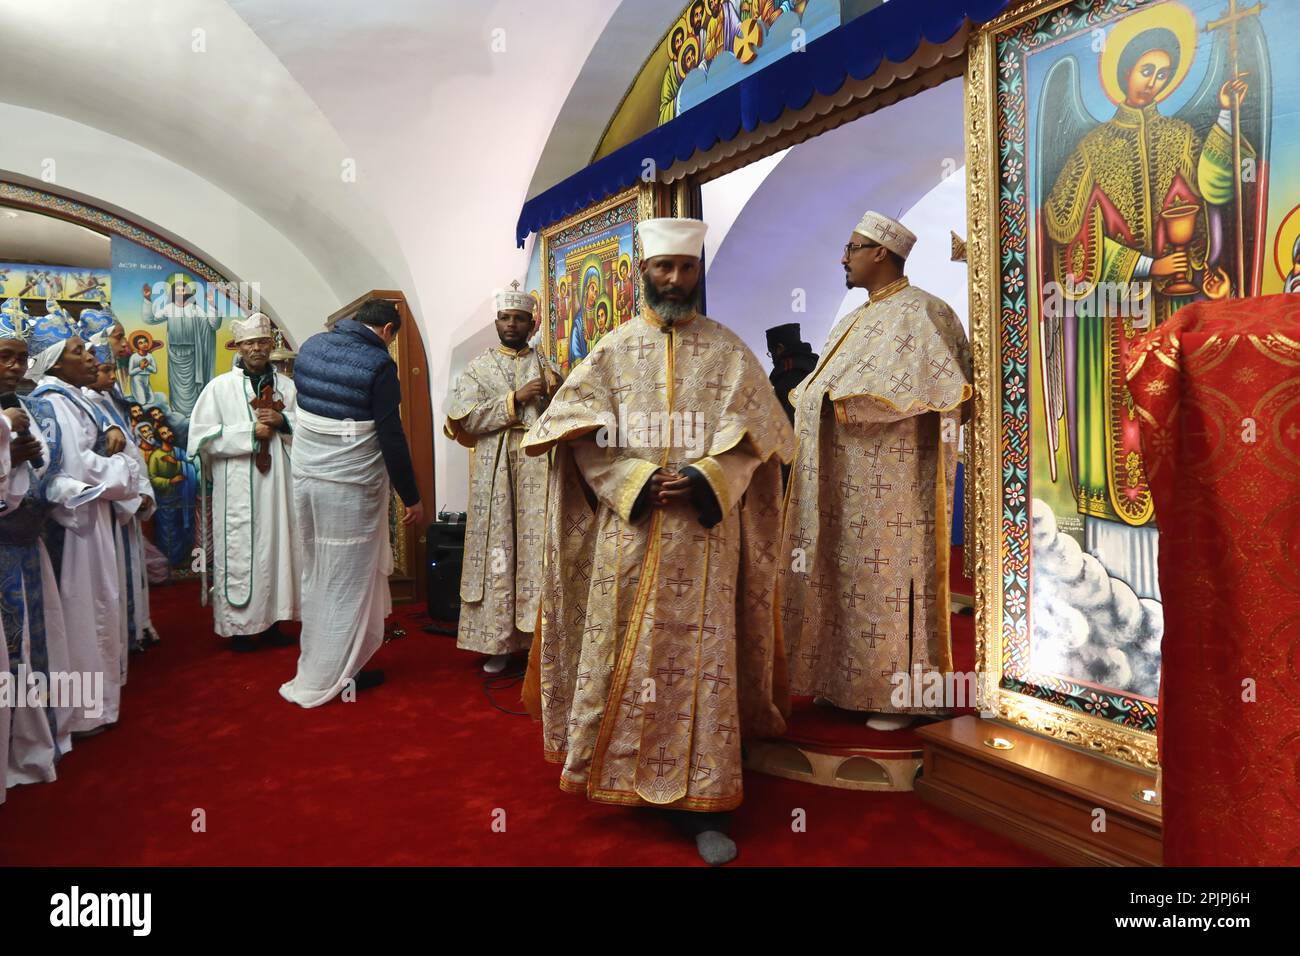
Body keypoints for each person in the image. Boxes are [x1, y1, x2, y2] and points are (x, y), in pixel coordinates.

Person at [520, 217, 793, 865]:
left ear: (699, 273)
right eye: (664, 268)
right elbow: (573, 435)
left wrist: (704, 477)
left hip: (705, 538)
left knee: (703, 662)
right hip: (633, 534)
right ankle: (625, 778)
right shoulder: (612, 351)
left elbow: (764, 437)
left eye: (687, 268)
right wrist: (637, 478)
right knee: (630, 656)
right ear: (642, 272)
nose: (676, 279)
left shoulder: (730, 352)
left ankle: (708, 797)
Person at [779, 211, 972, 730]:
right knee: (841, 578)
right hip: (840, 483)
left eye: (853, 247)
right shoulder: (851, 320)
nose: (844, 257)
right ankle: (843, 682)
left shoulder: (927, 313)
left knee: (893, 587)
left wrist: (846, 404)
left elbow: (946, 392)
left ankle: (903, 698)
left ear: (880, 253)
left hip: (897, 487)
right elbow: (816, 388)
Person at [280, 299, 423, 707]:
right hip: (348, 487)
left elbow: (307, 415)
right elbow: (390, 436)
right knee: (349, 576)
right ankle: (341, 671)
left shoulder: (310, 347)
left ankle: (322, 662)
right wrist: (410, 496)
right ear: (388, 331)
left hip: (307, 479)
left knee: (318, 570)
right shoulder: (380, 366)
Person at [24, 310, 143, 735]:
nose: (91, 358)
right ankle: (85, 711)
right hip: (77, 522)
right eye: (79, 352)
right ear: (56, 362)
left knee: (98, 605)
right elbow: (78, 466)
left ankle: (97, 704)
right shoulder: (55, 400)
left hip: (91, 516)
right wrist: (123, 469)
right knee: (83, 611)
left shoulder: (69, 396)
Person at [444, 285, 559, 674]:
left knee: (535, 552)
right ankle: (497, 643)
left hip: (538, 469)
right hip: (495, 475)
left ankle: (536, 644)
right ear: (497, 322)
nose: (512, 324)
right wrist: (515, 398)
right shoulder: (478, 368)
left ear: (531, 324)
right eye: (506, 318)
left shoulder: (548, 365)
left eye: (520, 319)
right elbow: (468, 420)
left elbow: (566, 415)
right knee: (499, 554)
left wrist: (555, 393)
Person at [188, 313, 301, 651]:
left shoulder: (288, 387)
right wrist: (250, 432)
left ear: (271, 345)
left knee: (276, 548)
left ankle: (271, 623)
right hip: (237, 482)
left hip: (278, 484)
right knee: (241, 551)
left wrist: (284, 421)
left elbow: (306, 427)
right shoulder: (218, 388)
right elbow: (199, 440)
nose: (256, 348)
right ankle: (240, 627)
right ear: (237, 346)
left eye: (263, 342)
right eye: (250, 342)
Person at [0, 314, 73, 794]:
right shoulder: (10, 414)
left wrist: (23, 458)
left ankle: (31, 740)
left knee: (28, 647)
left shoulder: (21, 406)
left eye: (20, 357)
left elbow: (46, 464)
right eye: (3, 357)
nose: (13, 365)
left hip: (24, 541)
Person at [81, 314, 158, 656]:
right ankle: (121, 641)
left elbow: (130, 452)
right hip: (106, 509)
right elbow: (89, 463)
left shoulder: (110, 395)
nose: (124, 345)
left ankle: (136, 629)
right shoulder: (86, 401)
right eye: (117, 338)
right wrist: (130, 497)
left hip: (126, 501)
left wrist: (142, 493)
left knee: (129, 570)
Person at [765, 323, 818, 424]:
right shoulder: (815, 363)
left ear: (780, 348)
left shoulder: (787, 374)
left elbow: (789, 420)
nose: (772, 359)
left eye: (771, 353)